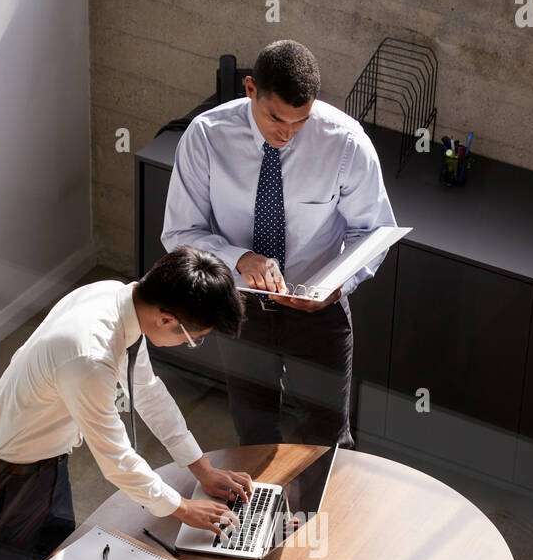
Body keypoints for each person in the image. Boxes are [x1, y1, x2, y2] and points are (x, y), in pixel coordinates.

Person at [0, 247, 250, 560]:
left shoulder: (121, 300)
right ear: (167, 319)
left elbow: (146, 392)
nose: (188, 345)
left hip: (45, 468)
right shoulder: (90, 355)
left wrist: (202, 470)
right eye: (193, 339)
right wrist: (182, 507)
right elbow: (117, 460)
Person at [161, 38, 397, 447]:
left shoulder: (345, 142)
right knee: (253, 430)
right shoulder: (206, 136)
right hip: (240, 305)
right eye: (276, 119)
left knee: (326, 435)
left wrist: (341, 285)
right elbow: (180, 233)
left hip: (319, 310)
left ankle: (318, 513)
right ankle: (266, 510)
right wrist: (241, 259)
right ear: (251, 89)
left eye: (300, 122)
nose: (287, 134)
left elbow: (374, 232)